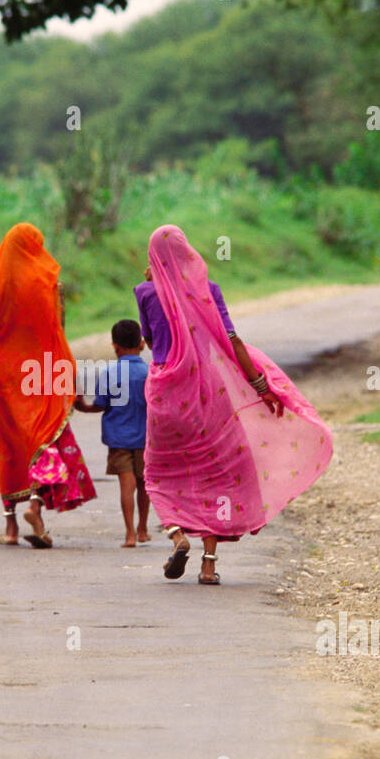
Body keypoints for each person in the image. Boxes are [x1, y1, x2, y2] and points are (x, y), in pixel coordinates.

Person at [136, 224, 332, 585]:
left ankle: (178, 536)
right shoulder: (208, 290)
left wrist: (158, 285)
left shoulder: (145, 293)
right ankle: (209, 565)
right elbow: (232, 341)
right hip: (208, 391)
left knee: (160, 473)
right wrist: (261, 385)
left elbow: (149, 342)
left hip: (166, 393)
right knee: (214, 471)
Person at [0, 222, 95, 547]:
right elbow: (57, 334)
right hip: (42, 373)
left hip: (1, 376)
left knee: (8, 446)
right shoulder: (51, 283)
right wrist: (72, 382)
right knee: (40, 436)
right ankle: (36, 506)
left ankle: (11, 528)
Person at [74, 319, 151, 548]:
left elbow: (101, 405)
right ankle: (143, 529)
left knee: (126, 485)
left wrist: (83, 406)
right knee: (144, 483)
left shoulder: (109, 373)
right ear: (141, 344)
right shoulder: (150, 373)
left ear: (115, 346)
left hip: (118, 439)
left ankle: (129, 535)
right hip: (146, 437)